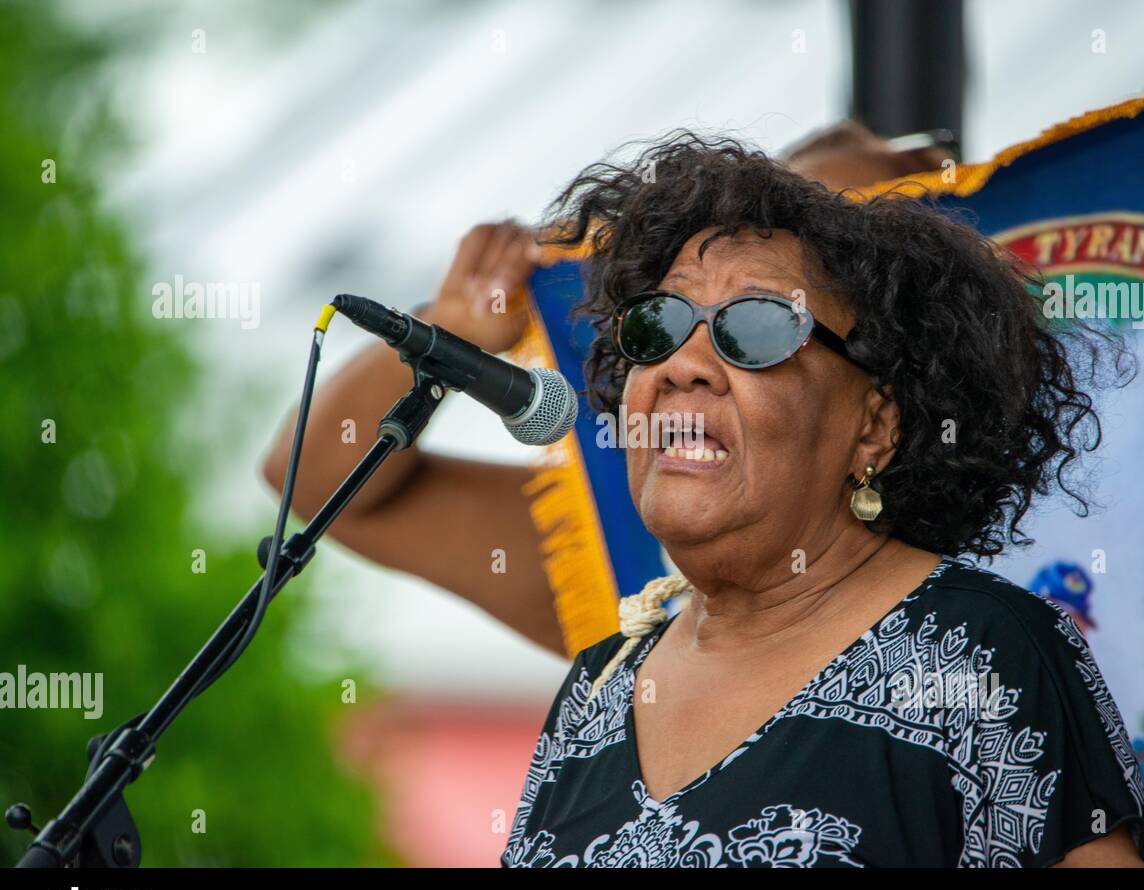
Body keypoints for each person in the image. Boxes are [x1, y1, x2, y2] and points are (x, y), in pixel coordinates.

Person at [499, 129, 1144, 868]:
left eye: (754, 328)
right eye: (656, 326)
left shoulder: (982, 652)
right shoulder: (597, 687)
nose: (683, 366)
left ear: (873, 426)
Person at [260, 121, 949, 658]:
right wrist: (448, 333)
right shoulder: (636, 563)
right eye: (668, 315)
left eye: (766, 318)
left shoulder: (1002, 642)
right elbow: (313, 479)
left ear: (879, 413)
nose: (691, 361)